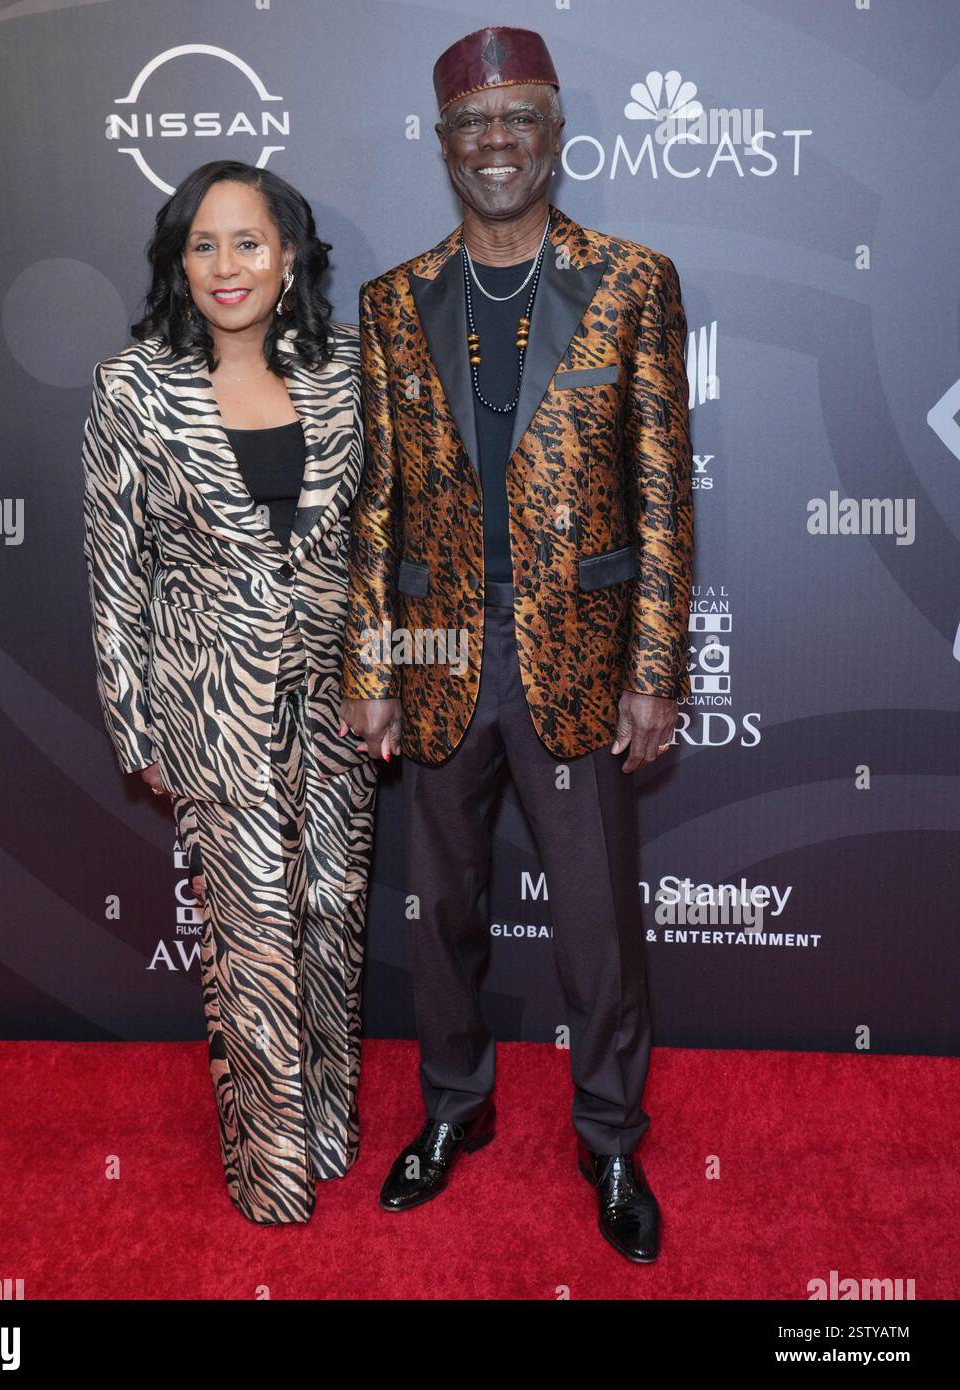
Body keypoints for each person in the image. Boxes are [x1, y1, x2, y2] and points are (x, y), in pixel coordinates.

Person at [338, 26, 693, 1262]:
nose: (495, 144)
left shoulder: (632, 281)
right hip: (436, 647)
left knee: (595, 918)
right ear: (443, 148)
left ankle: (607, 1139)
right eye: (472, 126)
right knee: (442, 912)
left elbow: (661, 491)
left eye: (518, 119)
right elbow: (376, 503)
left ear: (553, 135)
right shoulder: (393, 302)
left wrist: (652, 669)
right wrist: (370, 672)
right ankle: (453, 1110)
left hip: (580, 649)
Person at [81, 159, 377, 1224]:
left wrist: (378, 674)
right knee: (253, 944)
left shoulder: (346, 371)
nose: (226, 265)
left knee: (330, 920)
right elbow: (115, 572)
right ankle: (271, 1173)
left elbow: (373, 542)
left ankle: (332, 1130)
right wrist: (136, 725)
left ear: (287, 255)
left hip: (336, 706)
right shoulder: (134, 387)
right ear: (178, 265)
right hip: (209, 707)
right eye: (201, 246)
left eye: (247, 242)